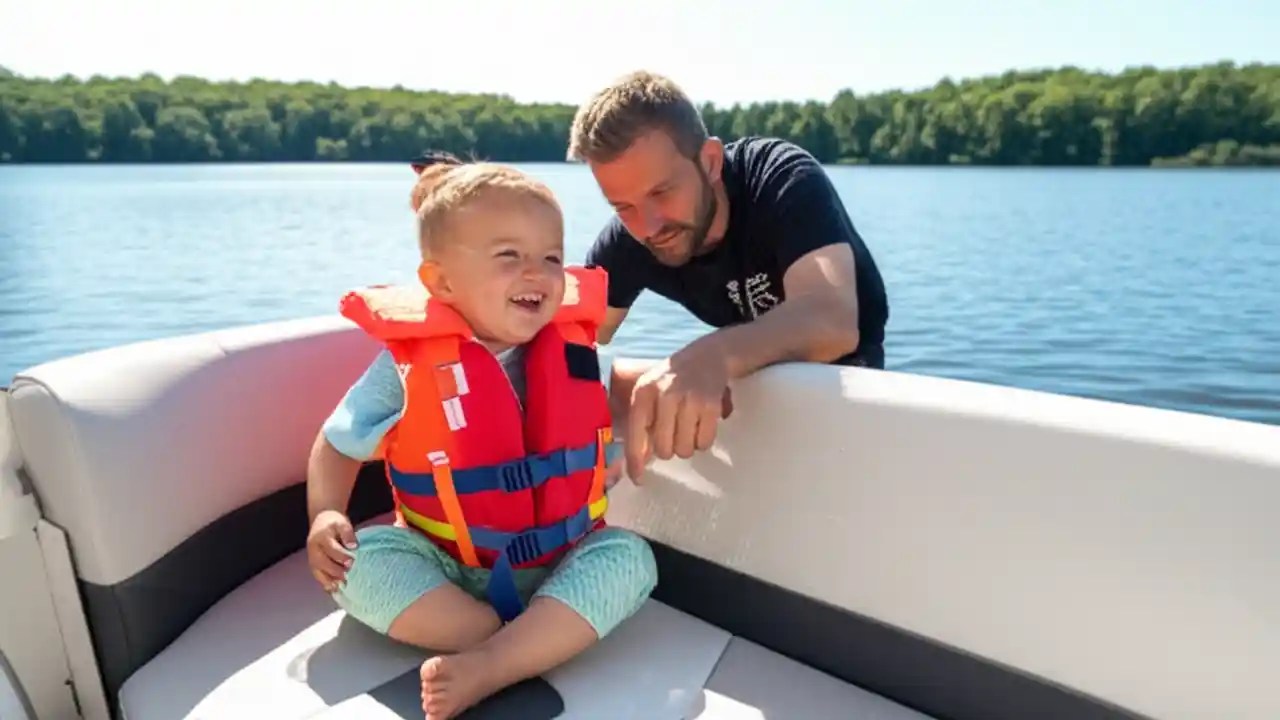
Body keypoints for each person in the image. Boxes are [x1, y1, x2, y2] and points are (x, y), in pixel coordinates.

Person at [305, 160, 657, 719]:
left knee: (630, 558)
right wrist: (325, 515)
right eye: (509, 257)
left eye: (550, 257)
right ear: (441, 283)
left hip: (560, 559)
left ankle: (491, 663)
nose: (536, 274)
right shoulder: (403, 366)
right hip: (442, 562)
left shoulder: (573, 351)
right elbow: (337, 442)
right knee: (356, 561)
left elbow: (622, 395)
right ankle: (514, 641)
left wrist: (678, 386)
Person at [569, 70, 889, 480]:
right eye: (622, 207)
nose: (647, 227)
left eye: (661, 192)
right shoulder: (632, 239)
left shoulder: (778, 178)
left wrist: (710, 357)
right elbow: (565, 341)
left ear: (710, 161)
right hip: (742, 403)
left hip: (844, 401)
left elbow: (832, 319)